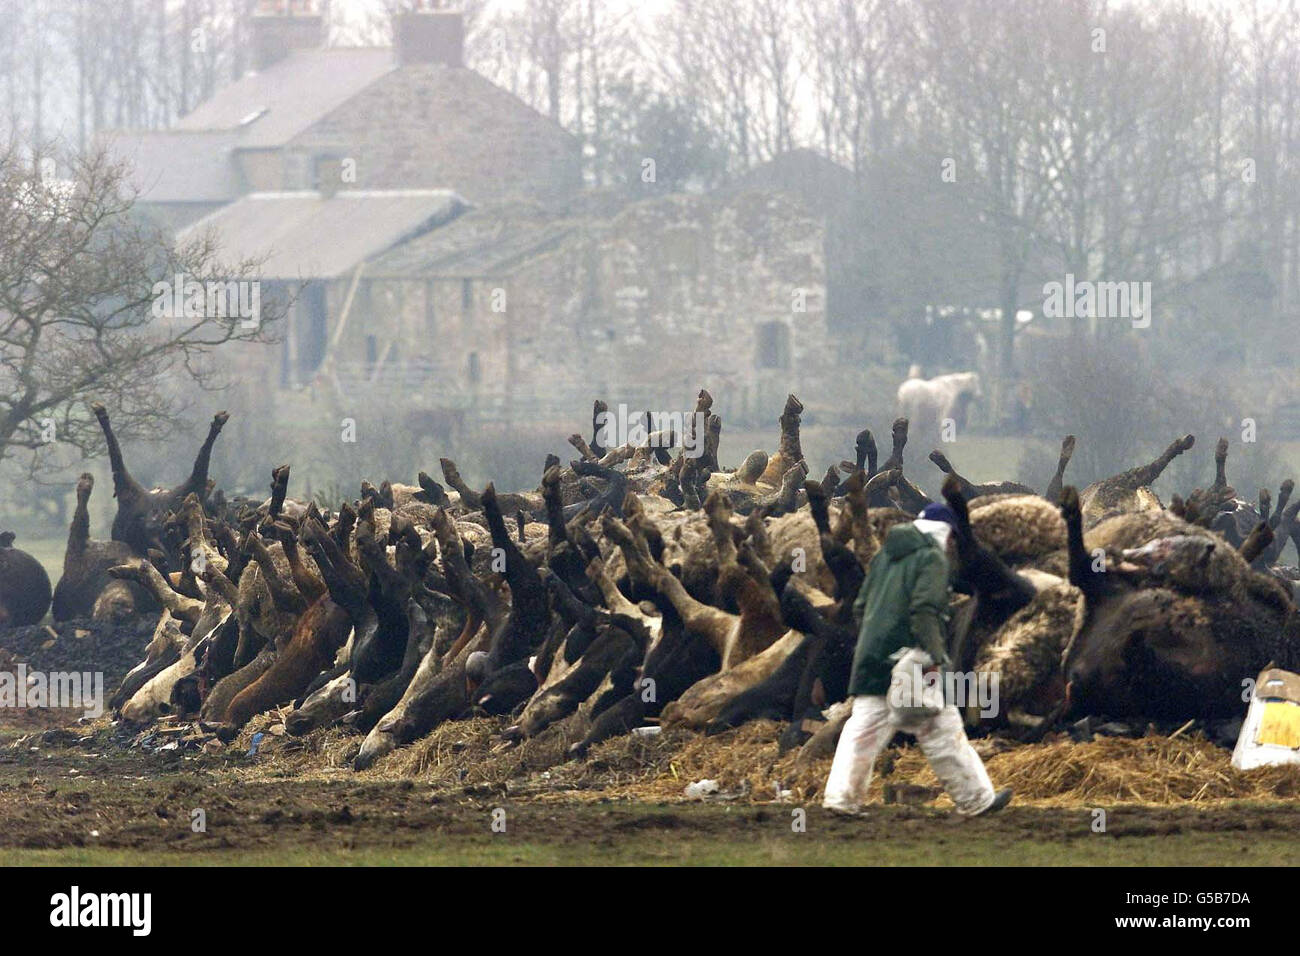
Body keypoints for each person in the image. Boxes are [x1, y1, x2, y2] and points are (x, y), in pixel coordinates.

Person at [822, 502, 1012, 816]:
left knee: (864, 726)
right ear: (947, 534)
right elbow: (924, 609)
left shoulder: (885, 555)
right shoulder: (933, 558)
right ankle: (977, 800)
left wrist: (876, 638)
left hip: (872, 656)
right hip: (913, 657)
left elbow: (860, 606)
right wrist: (936, 654)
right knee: (941, 724)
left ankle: (841, 799)